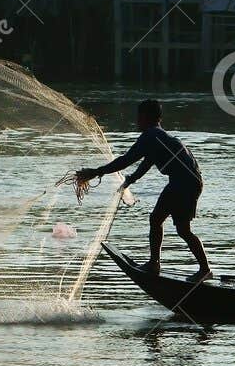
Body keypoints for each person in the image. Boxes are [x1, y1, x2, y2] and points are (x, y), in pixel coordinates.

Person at [77, 99, 210, 280]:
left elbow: (126, 159)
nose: (137, 121)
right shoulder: (158, 136)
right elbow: (147, 161)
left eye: (139, 117)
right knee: (180, 228)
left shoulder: (150, 136)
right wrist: (131, 179)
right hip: (191, 181)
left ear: (146, 117)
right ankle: (200, 269)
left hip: (183, 183)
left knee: (159, 220)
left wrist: (96, 172)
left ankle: (159, 264)